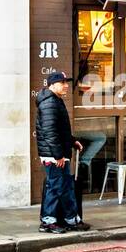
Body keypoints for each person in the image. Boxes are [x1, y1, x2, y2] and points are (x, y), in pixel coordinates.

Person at [35, 70, 89, 233]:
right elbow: (50, 131)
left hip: (60, 153)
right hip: (54, 156)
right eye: (62, 83)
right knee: (55, 187)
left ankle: (70, 219)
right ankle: (48, 222)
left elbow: (60, 130)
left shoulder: (55, 100)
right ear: (52, 85)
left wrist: (73, 141)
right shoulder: (49, 103)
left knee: (65, 187)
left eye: (66, 82)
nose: (66, 86)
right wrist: (57, 155)